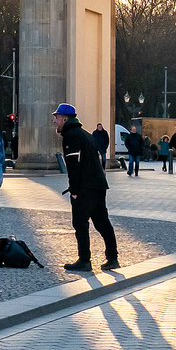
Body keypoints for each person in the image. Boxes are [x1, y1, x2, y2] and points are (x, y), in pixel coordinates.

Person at [53, 103, 119, 271]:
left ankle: (84, 260)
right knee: (102, 222)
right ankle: (112, 258)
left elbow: (73, 165)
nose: (55, 121)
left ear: (65, 118)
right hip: (98, 185)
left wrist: (74, 190)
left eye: (57, 117)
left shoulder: (71, 136)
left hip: (85, 188)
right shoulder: (85, 134)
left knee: (80, 223)